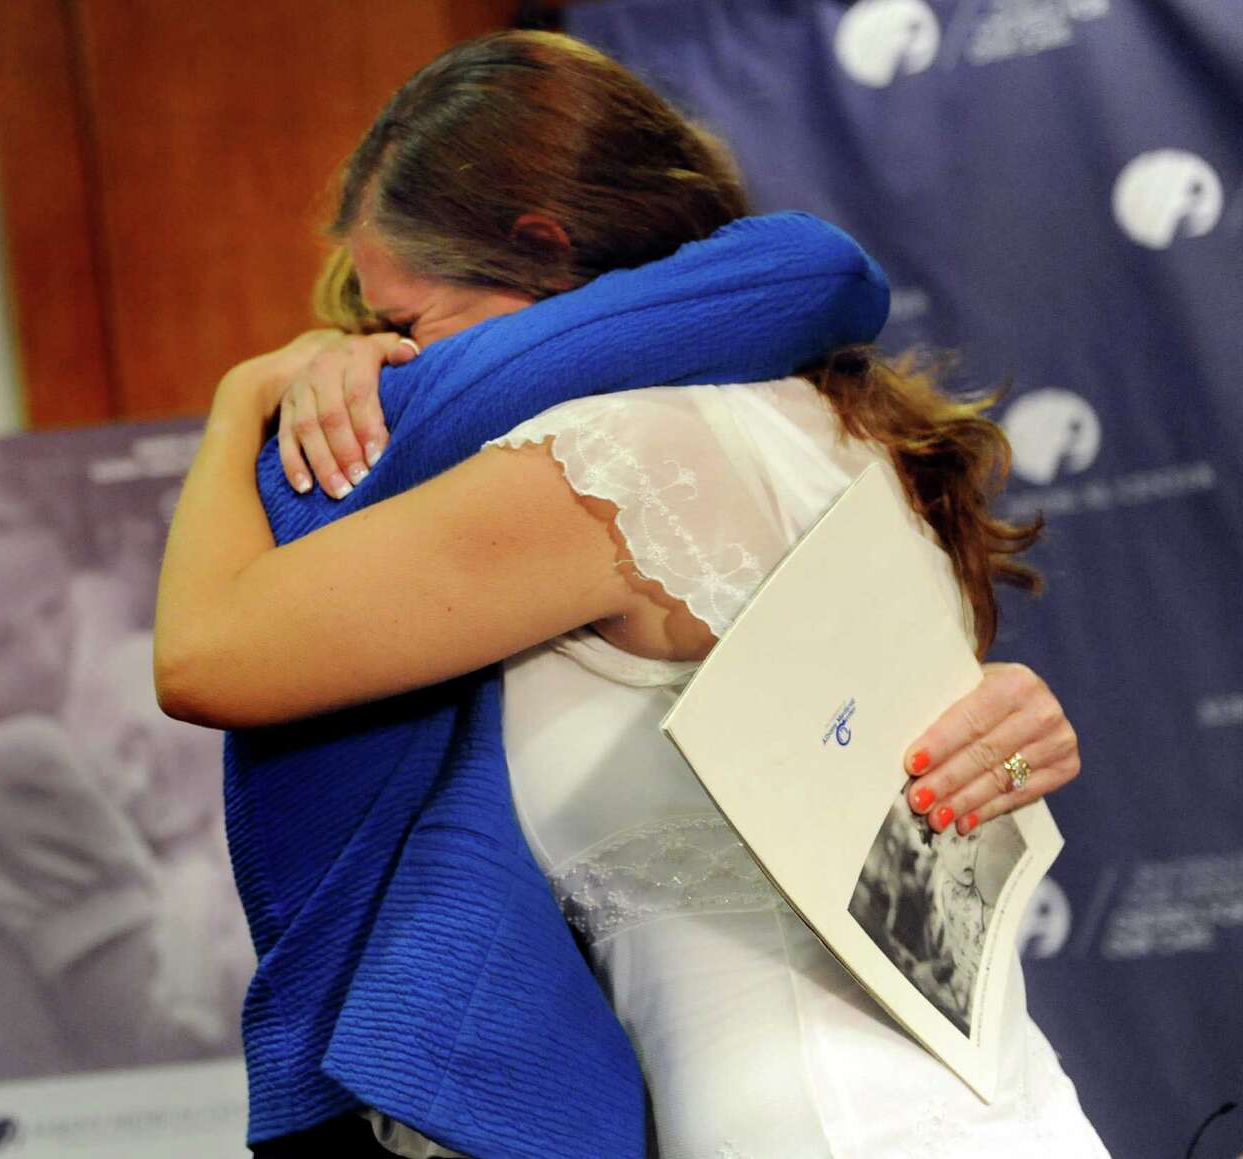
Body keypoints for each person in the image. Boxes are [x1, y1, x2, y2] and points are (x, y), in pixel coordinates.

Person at [155, 30, 1101, 1158]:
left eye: (406, 325)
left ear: (543, 246)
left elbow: (205, 653)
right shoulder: (847, 429)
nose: (389, 364)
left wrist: (236, 408)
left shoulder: (606, 462)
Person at [0, 465, 242, 1087]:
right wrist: (201, 867)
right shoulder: (11, 761)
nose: (45, 657)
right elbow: (169, 1035)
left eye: (54, 609)